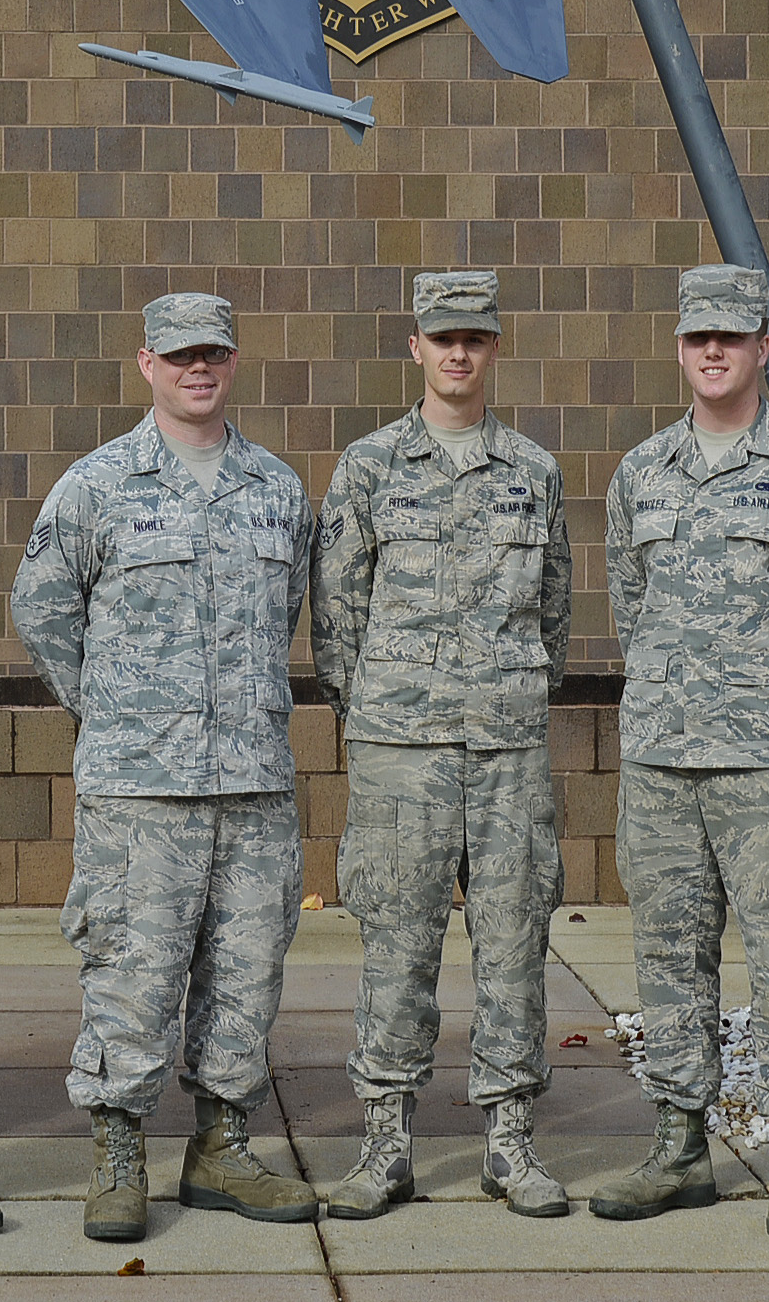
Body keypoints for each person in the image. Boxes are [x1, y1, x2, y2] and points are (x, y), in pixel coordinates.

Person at [11, 291, 320, 1244]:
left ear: (233, 362)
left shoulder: (277, 488)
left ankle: (221, 1148)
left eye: (213, 355)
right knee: (131, 975)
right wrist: (114, 711)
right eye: (180, 355)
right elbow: (42, 610)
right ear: (146, 363)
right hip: (139, 786)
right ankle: (118, 1156)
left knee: (245, 973)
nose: (198, 369)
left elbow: (291, 612)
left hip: (253, 784)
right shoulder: (97, 485)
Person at [595, 264, 769, 1240]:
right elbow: (629, 611)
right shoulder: (639, 474)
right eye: (695, 337)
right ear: (679, 350)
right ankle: (678, 1148)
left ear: (761, 348)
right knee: (667, 956)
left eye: (731, 335)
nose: (712, 351)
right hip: (663, 767)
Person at [310, 270, 573, 1220]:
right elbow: (333, 615)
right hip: (399, 752)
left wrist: (499, 700)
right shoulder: (368, 467)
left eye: (475, 336)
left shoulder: (533, 472)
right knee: (396, 949)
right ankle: (386, 1146)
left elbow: (553, 611)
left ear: (494, 347)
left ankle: (510, 1143)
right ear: (413, 347)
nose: (458, 351)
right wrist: (387, 705)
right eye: (442, 336)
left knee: (513, 947)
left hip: (505, 753)